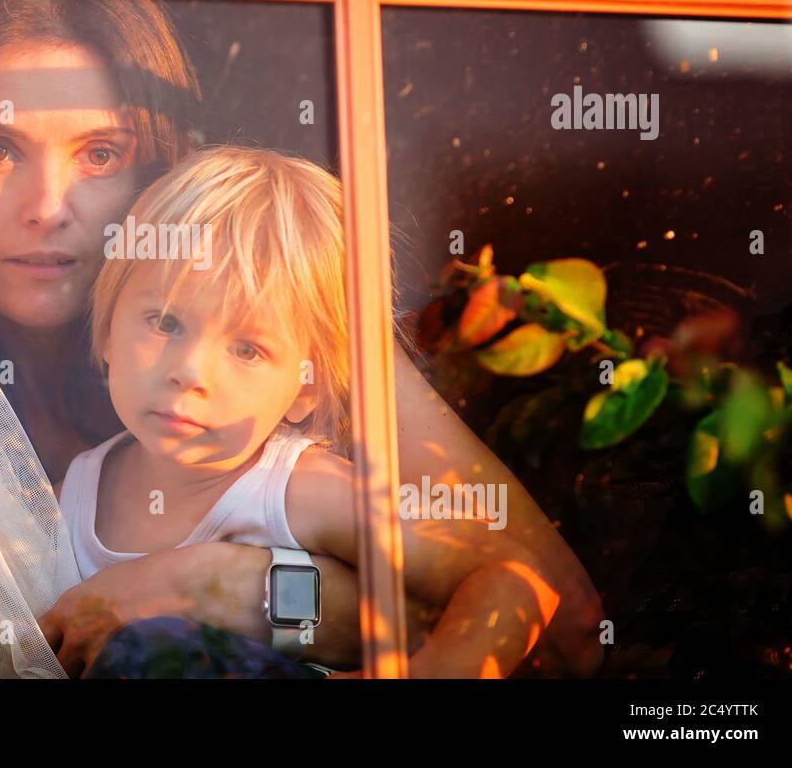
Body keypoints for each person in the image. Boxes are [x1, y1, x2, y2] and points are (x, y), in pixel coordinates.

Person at [0, 0, 604, 676]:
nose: (47, 208)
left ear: (161, 174)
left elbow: (560, 626)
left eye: (101, 154)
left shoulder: (284, 330)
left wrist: (214, 582)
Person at [59, 146, 560, 678]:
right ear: (108, 328)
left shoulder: (300, 490)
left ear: (307, 389)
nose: (190, 371)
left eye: (248, 349)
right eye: (164, 322)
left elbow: (516, 577)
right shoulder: (71, 487)